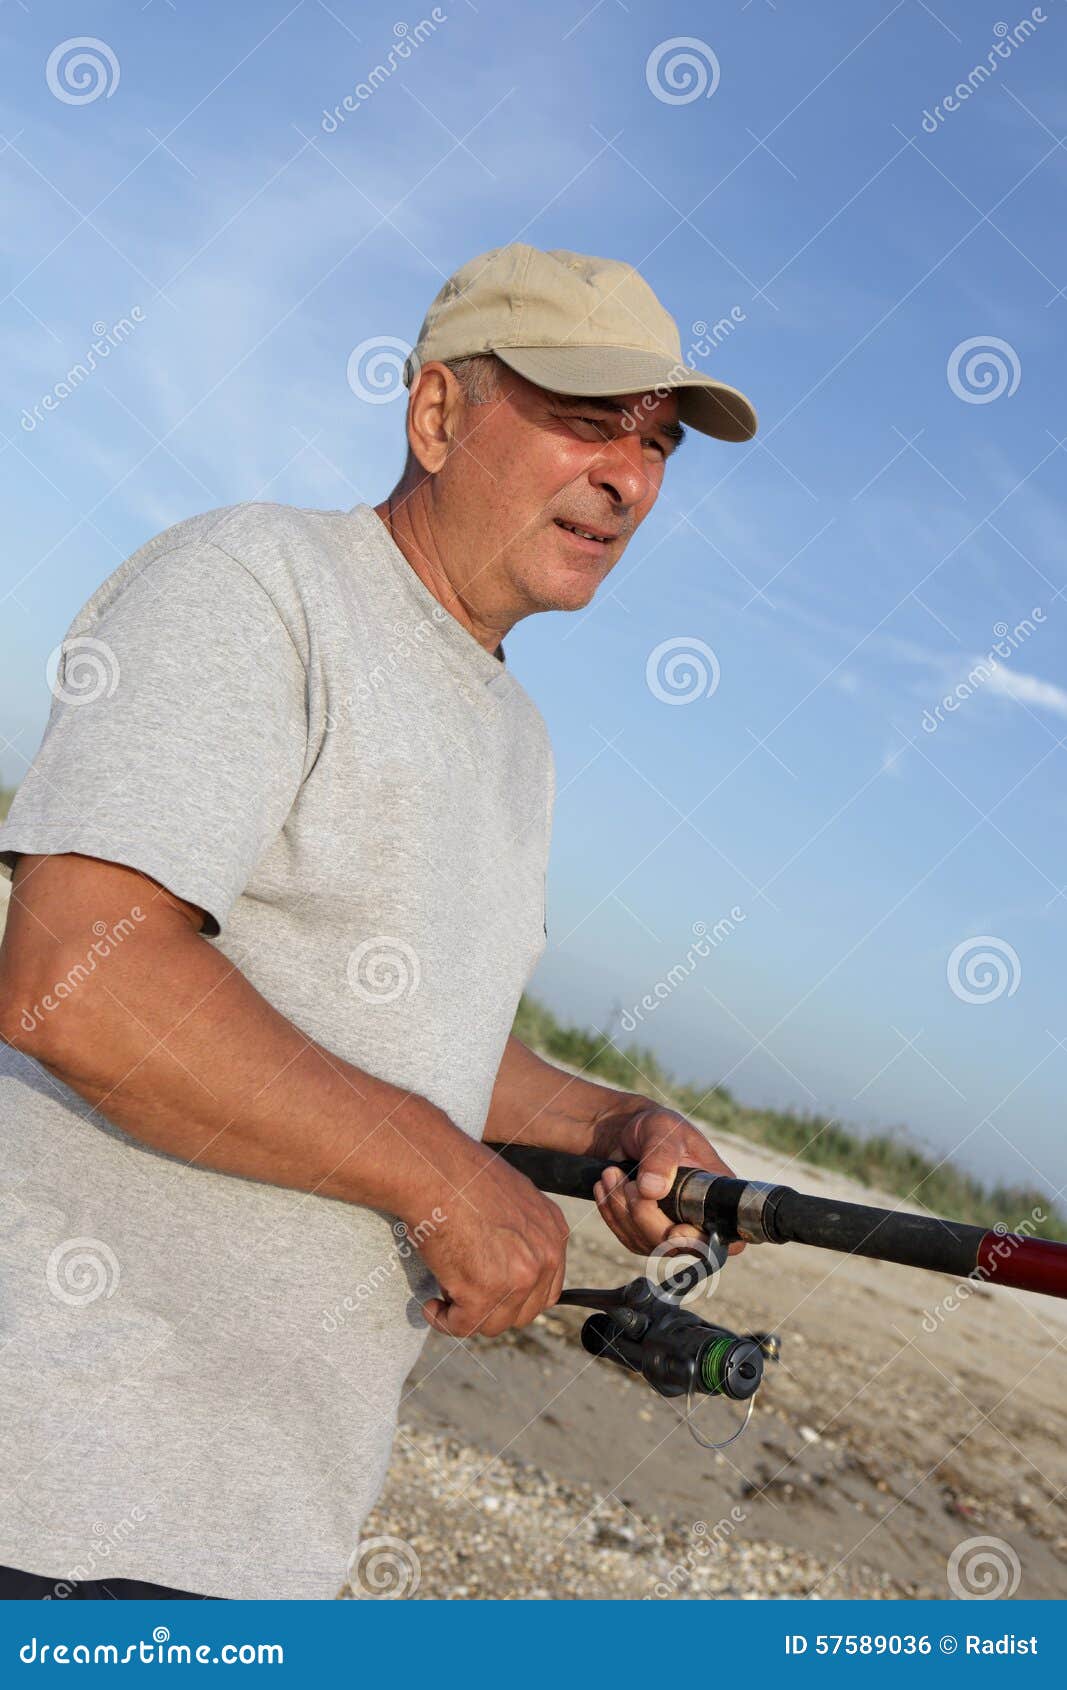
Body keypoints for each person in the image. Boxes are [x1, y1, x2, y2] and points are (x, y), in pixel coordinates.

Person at [0, 243, 757, 1600]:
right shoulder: (259, 585)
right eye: (588, 418)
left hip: (263, 1538)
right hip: (51, 1497)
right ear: (434, 414)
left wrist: (610, 1129)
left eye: (657, 444)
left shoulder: (515, 735)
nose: (631, 476)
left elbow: (415, 1031)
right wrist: (441, 1174)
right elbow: (78, 977)